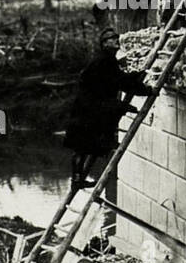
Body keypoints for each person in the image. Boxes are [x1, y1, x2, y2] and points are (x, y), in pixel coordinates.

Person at [62, 28, 153, 190]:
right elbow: (118, 82)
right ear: (105, 43)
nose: (116, 40)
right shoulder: (105, 60)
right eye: (112, 39)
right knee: (83, 145)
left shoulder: (106, 59)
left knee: (83, 144)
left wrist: (134, 77)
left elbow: (117, 79)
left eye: (116, 37)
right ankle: (77, 180)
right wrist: (145, 90)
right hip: (90, 107)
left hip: (88, 105)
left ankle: (77, 180)